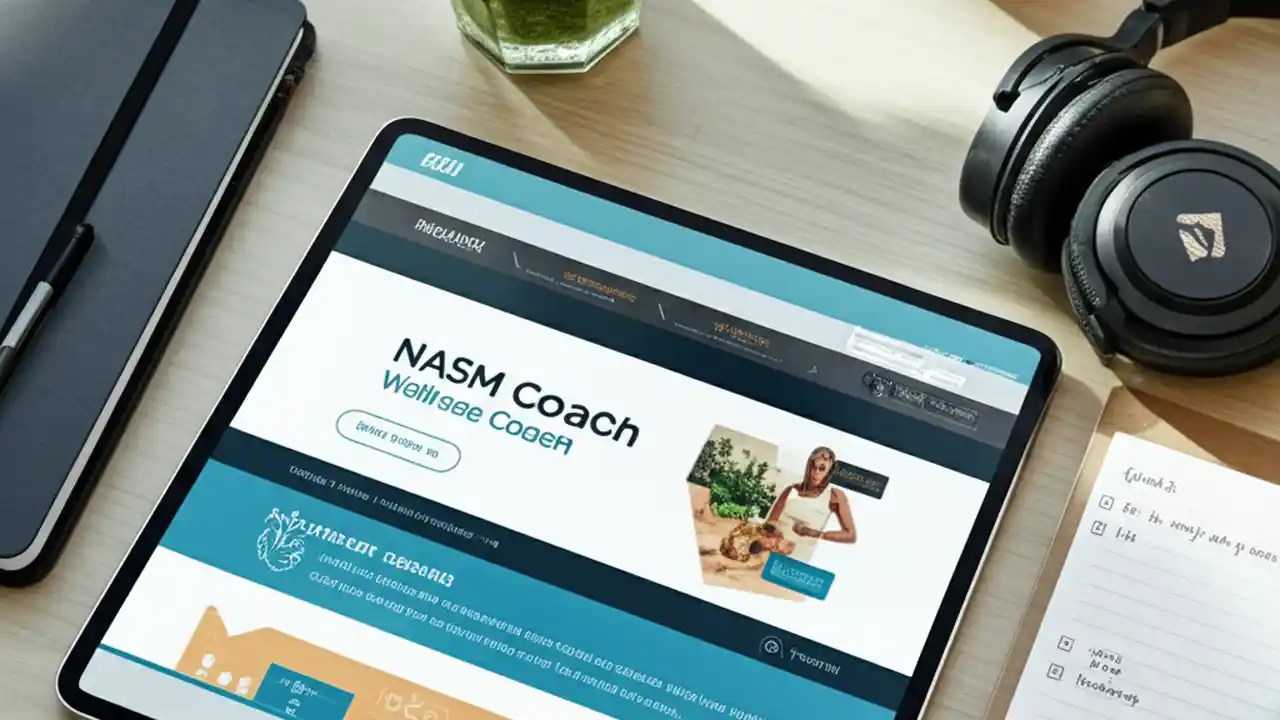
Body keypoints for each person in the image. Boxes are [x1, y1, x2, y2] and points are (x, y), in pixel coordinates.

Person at [766, 447, 857, 554]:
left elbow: (850, 535)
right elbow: (771, 522)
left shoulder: (835, 495)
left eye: (822, 468)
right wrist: (776, 534)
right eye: (813, 466)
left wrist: (812, 533)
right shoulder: (791, 490)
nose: (816, 472)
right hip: (776, 548)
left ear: (829, 471)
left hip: (802, 553)